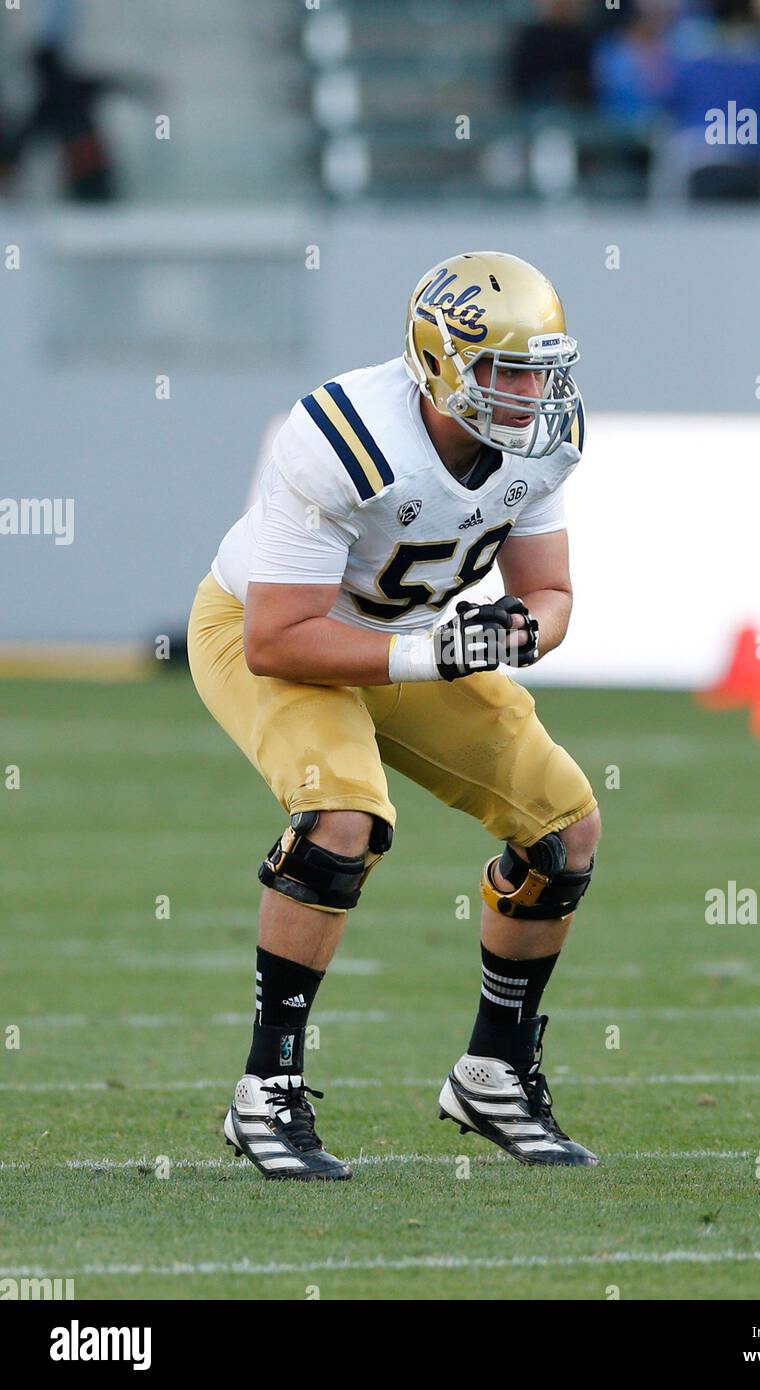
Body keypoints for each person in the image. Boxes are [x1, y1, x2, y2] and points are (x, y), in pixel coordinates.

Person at [187, 251, 601, 1181]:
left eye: (542, 368)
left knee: (565, 831)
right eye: (507, 367)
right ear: (441, 361)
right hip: (272, 630)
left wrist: (517, 632)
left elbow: (554, 593)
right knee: (343, 822)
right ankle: (268, 1091)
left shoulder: (546, 438)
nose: (531, 391)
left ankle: (494, 1070)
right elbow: (279, 640)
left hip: (405, 634)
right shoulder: (342, 439)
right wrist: (434, 651)